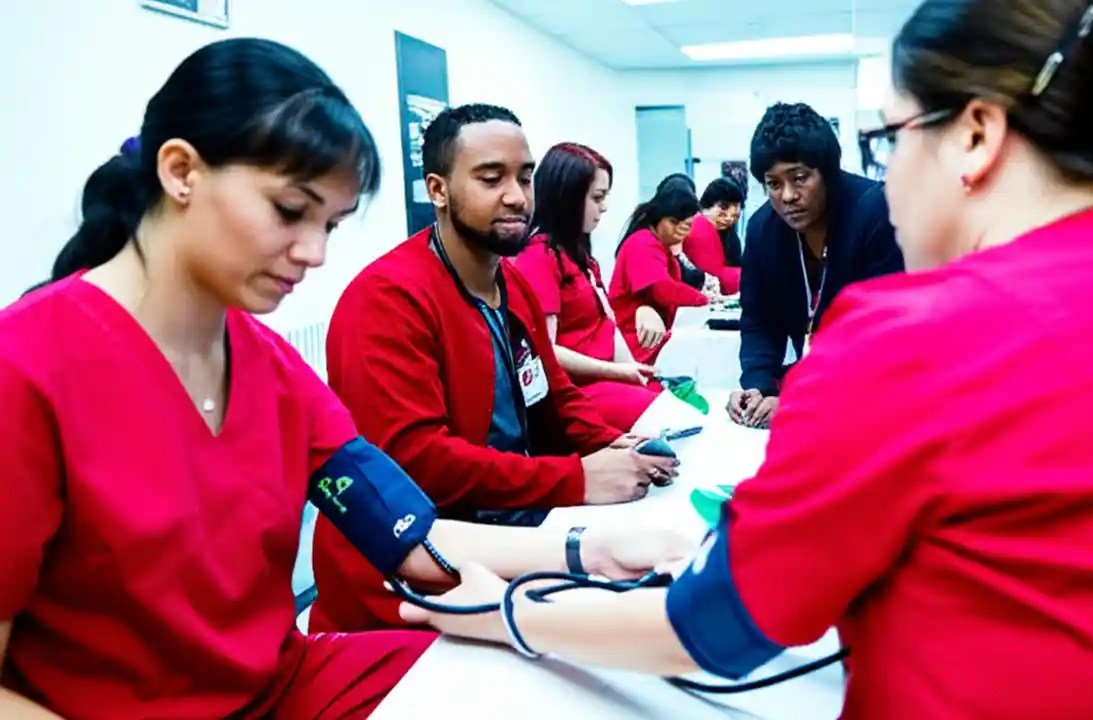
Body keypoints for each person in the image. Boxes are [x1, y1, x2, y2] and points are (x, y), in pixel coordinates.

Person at [399, 1, 1093, 717]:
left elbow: (718, 625)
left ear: (974, 135)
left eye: (891, 142)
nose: (888, 178)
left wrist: (507, 612)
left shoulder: (922, 336)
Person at [0, 39, 690, 720]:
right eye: (291, 212)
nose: (317, 253)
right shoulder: (27, 369)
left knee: (548, 687)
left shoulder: (268, 366)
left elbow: (408, 536)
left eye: (330, 223)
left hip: (283, 683)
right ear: (181, 171)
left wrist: (588, 550)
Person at [310, 104, 679, 634]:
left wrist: (611, 446)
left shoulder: (513, 283)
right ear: (438, 190)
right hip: (420, 567)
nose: (517, 196)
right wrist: (574, 477)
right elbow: (418, 461)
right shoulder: (386, 300)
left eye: (525, 178)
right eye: (491, 178)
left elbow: (552, 396)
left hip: (512, 519)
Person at [729, 102, 904, 429]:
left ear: (828, 172)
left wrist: (800, 398)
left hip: (878, 391)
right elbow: (759, 319)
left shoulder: (875, 212)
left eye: (799, 178)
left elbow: (885, 334)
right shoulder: (762, 229)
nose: (787, 196)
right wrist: (757, 386)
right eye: (773, 184)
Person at [513, 142, 662, 430]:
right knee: (670, 420)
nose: (604, 207)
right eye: (597, 197)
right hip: (581, 393)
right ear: (567, 197)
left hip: (610, 382)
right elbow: (546, 350)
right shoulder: (539, 257)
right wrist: (620, 372)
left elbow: (606, 325)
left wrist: (637, 375)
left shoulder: (577, 254)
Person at [610, 186, 712, 366]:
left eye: (686, 225)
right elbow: (662, 289)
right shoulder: (643, 242)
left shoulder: (660, 246)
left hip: (648, 342)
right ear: (658, 218)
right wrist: (704, 300)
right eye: (673, 222)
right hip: (636, 346)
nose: (681, 229)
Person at [682, 178, 745, 295]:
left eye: (735, 216)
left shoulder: (730, 236)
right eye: (722, 212)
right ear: (704, 206)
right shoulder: (699, 226)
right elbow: (712, 274)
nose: (728, 219)